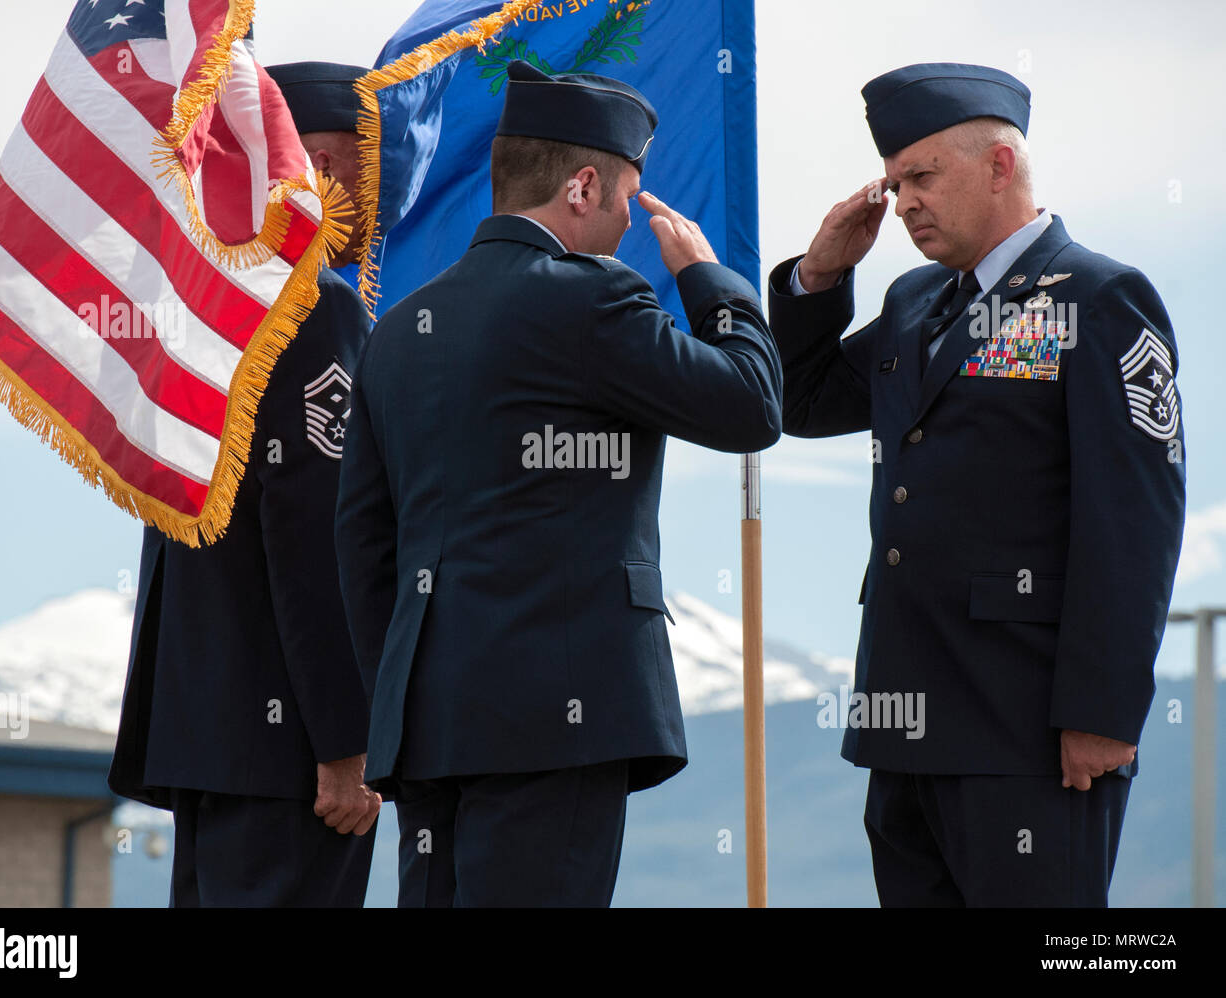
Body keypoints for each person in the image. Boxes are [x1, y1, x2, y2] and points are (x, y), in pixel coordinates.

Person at [334, 60, 783, 907]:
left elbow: (360, 543)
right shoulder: (592, 299)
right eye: (626, 197)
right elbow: (751, 407)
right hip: (555, 722)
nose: (629, 220)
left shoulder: (395, 332)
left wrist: (396, 699)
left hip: (428, 726)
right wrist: (707, 281)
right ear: (583, 185)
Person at [769, 63, 1186, 906]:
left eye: (922, 176)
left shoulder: (1100, 299)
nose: (905, 202)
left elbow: (1135, 520)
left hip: (1026, 727)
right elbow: (799, 402)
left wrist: (1102, 712)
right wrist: (818, 278)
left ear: (1000, 165)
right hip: (903, 722)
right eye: (894, 184)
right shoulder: (916, 301)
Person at [109, 62, 381, 907]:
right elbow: (312, 534)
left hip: (205, 731)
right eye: (363, 174)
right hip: (287, 753)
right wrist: (343, 741)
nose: (374, 202)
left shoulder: (195, 308)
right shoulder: (316, 307)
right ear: (320, 173)